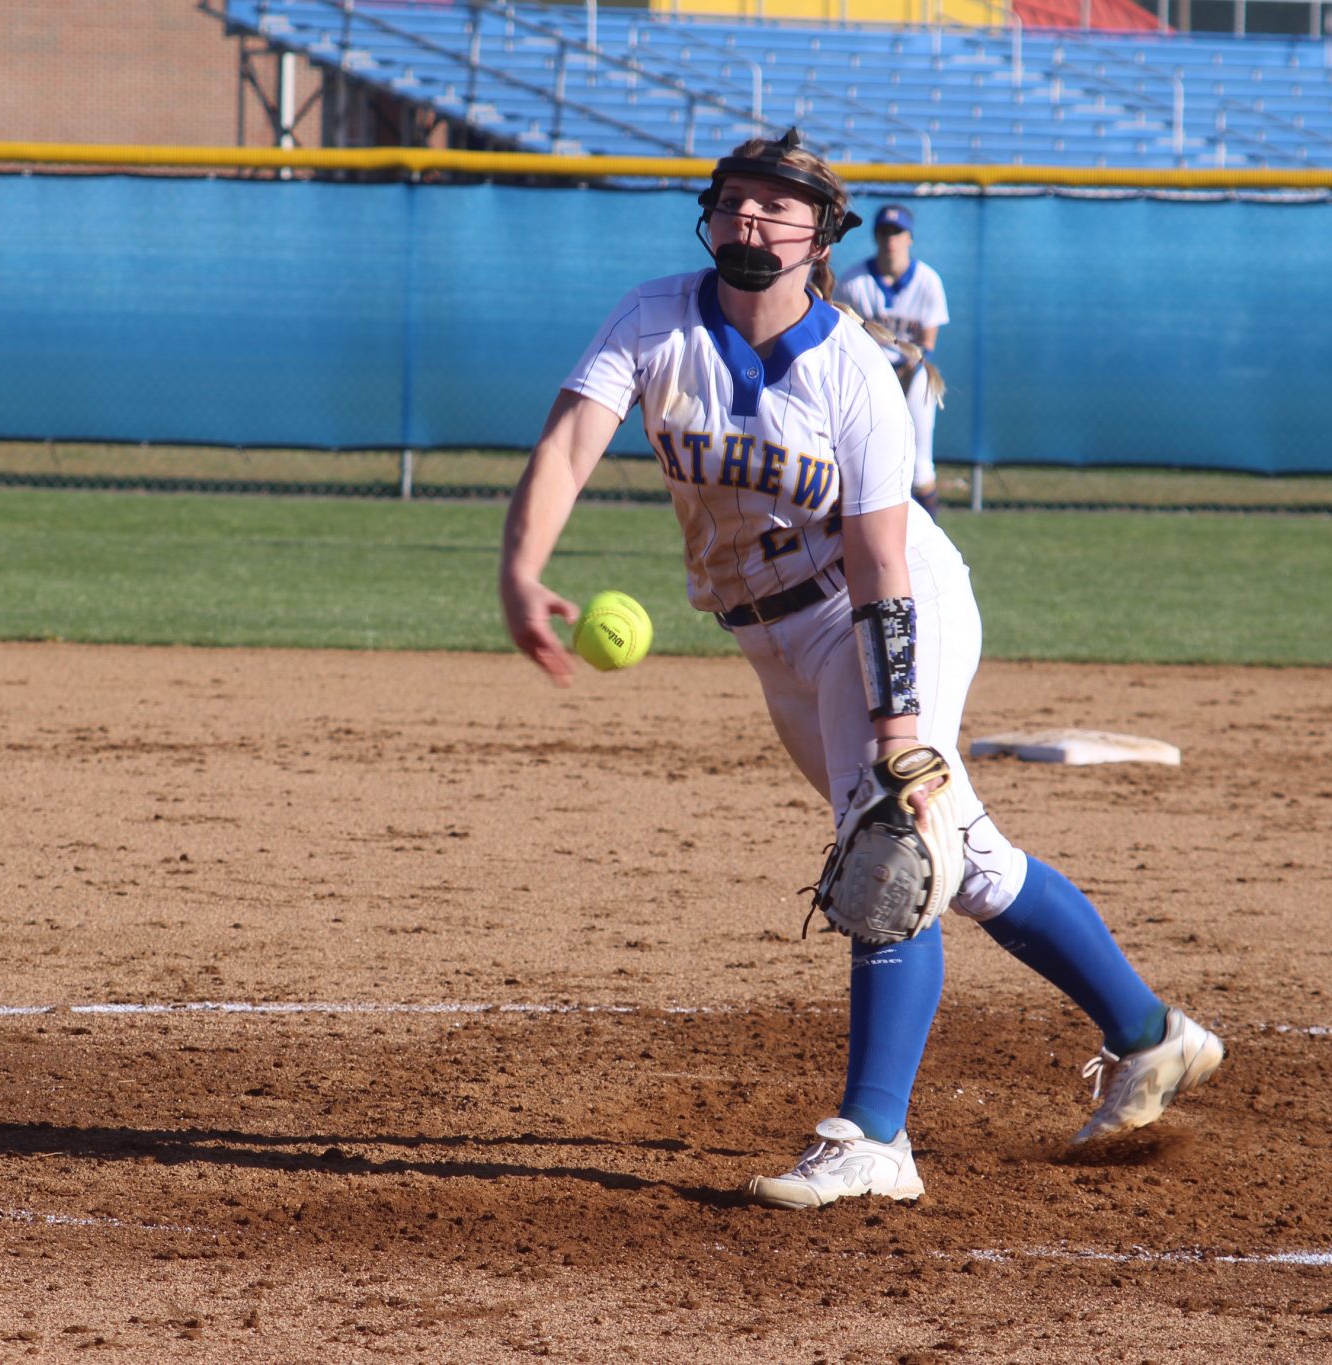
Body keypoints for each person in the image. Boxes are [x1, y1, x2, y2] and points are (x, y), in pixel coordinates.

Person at [498, 129, 1223, 1211]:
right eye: (734, 200)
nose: (749, 218)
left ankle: (874, 1140)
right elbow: (568, 445)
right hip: (768, 636)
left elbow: (883, 561)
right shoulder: (654, 317)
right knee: (961, 858)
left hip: (882, 608)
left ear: (820, 233)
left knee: (886, 837)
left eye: (775, 207)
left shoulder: (851, 371)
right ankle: (1148, 1035)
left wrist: (898, 723)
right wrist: (520, 566)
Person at [834, 203, 950, 517]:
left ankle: (929, 542)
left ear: (909, 237)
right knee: (858, 461)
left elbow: (927, 343)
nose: (891, 239)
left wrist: (904, 371)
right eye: (885, 231)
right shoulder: (853, 281)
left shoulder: (927, 281)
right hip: (867, 375)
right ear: (875, 236)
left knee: (919, 467)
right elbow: (842, 338)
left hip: (914, 373)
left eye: (897, 232)